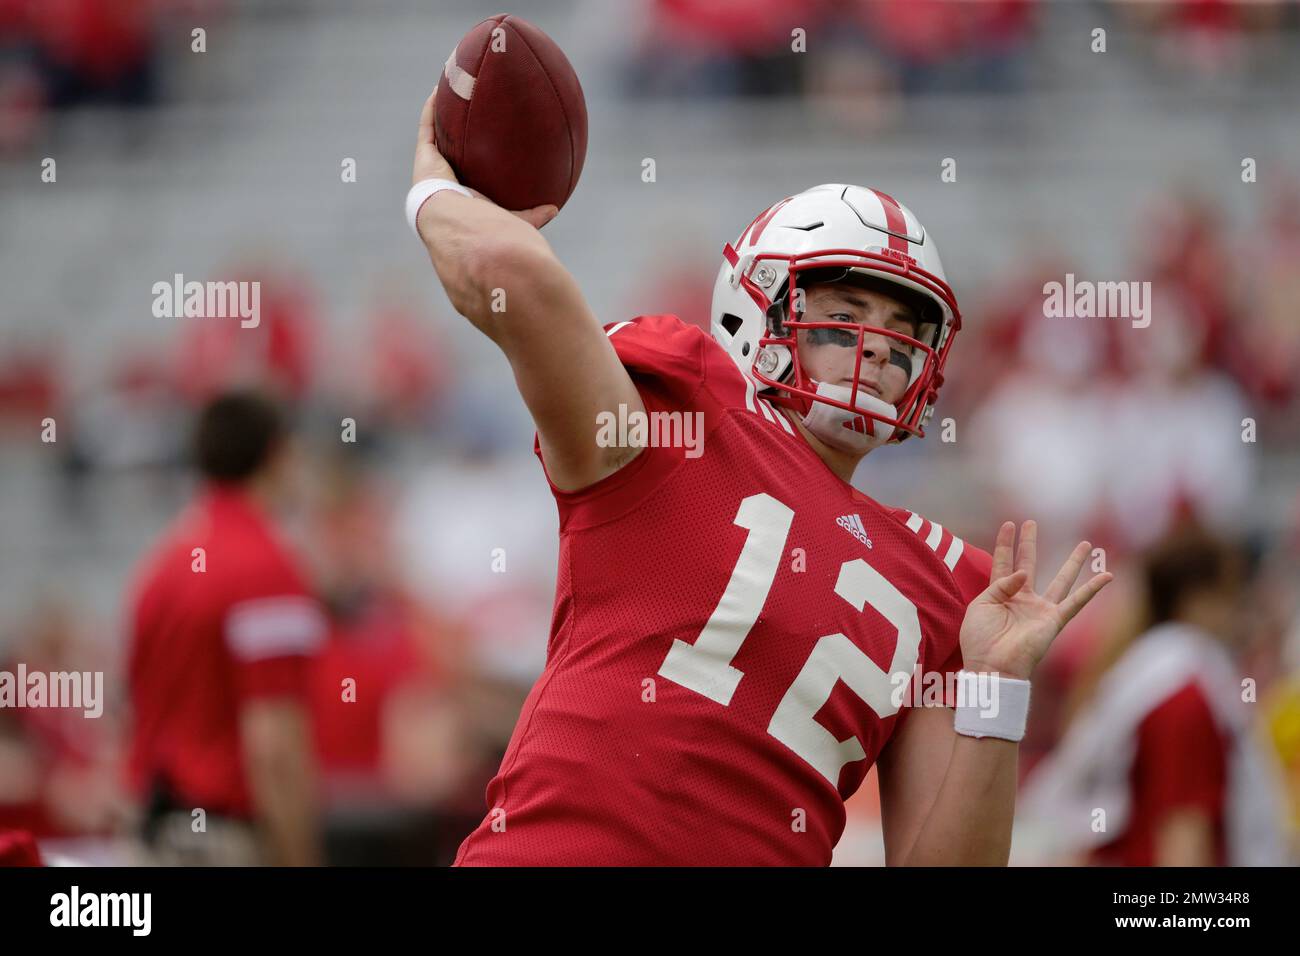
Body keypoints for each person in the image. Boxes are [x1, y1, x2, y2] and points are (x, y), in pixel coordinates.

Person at [407, 94, 1110, 865]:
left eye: (903, 332)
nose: (878, 349)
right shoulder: (684, 411)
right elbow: (508, 273)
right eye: (844, 318)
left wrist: (996, 689)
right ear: (757, 309)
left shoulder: (949, 584)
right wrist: (435, 189)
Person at [124, 391, 325, 865]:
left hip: (153, 835)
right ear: (278, 454)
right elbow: (273, 746)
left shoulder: (163, 562)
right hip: (224, 842)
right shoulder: (266, 568)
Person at [1021, 524, 1289, 866]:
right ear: (1199, 597)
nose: (1239, 612)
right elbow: (1184, 835)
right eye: (1232, 594)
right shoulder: (1185, 694)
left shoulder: (1139, 678)